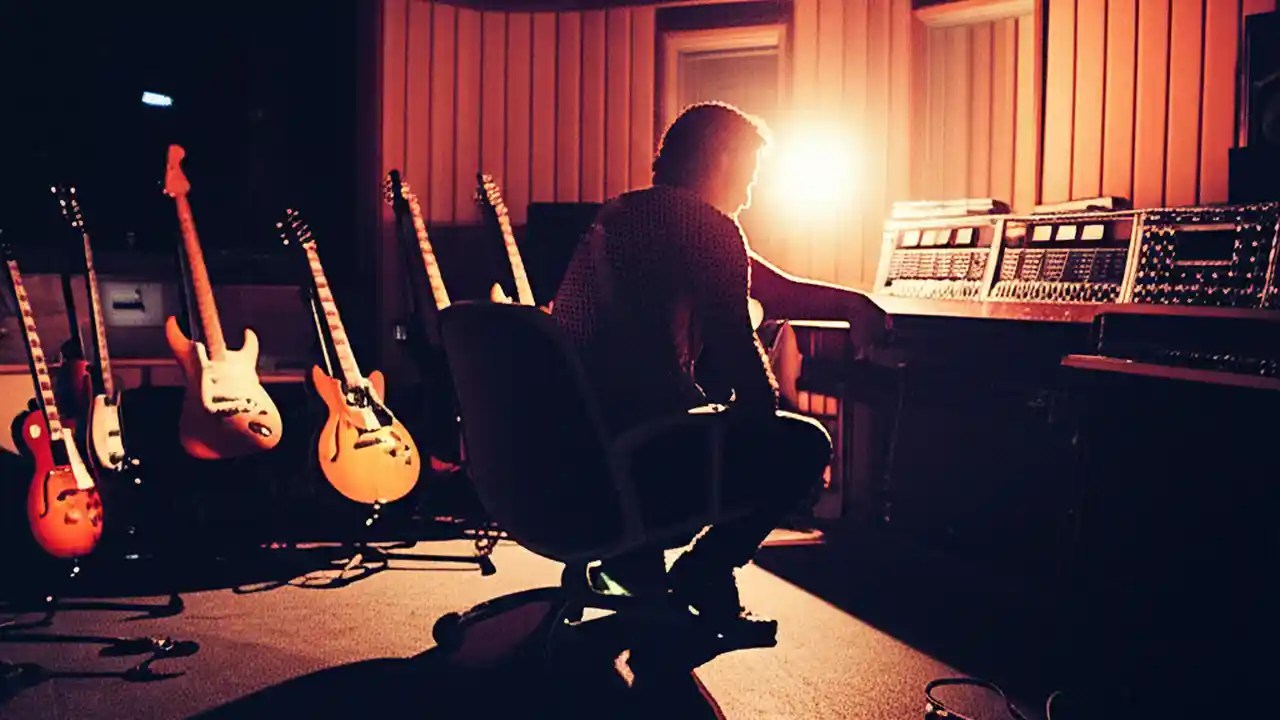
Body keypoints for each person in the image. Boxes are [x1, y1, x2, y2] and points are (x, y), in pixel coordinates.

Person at [551, 102, 888, 629]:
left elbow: (769, 287)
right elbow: (751, 386)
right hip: (645, 462)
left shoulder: (617, 216)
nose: (750, 195)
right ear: (726, 157)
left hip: (575, 459)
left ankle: (632, 559)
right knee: (804, 445)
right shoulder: (706, 228)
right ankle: (706, 569)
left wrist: (849, 303)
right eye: (750, 177)